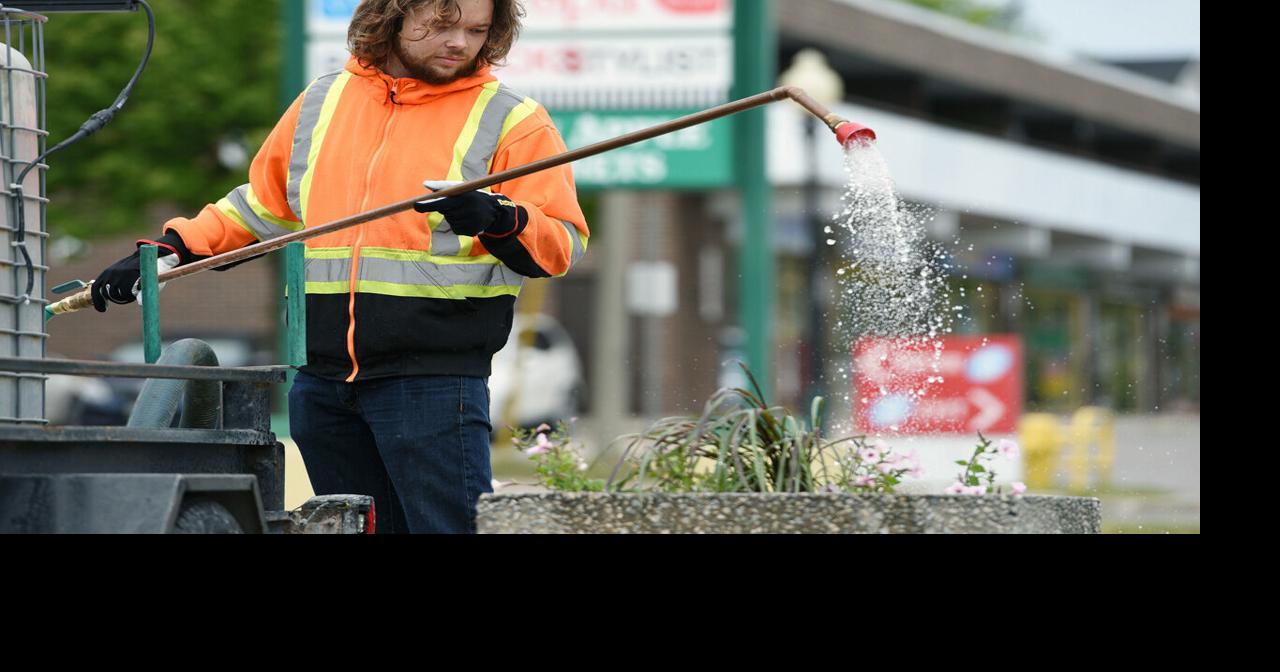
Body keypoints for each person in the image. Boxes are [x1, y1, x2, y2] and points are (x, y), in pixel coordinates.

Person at [91, 0, 589, 534]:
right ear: (394, 15)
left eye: (477, 30)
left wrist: (497, 217)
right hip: (321, 384)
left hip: (433, 383)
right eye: (442, 25)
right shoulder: (322, 102)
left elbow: (563, 242)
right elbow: (262, 208)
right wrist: (173, 248)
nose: (460, 43)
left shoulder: (514, 119)